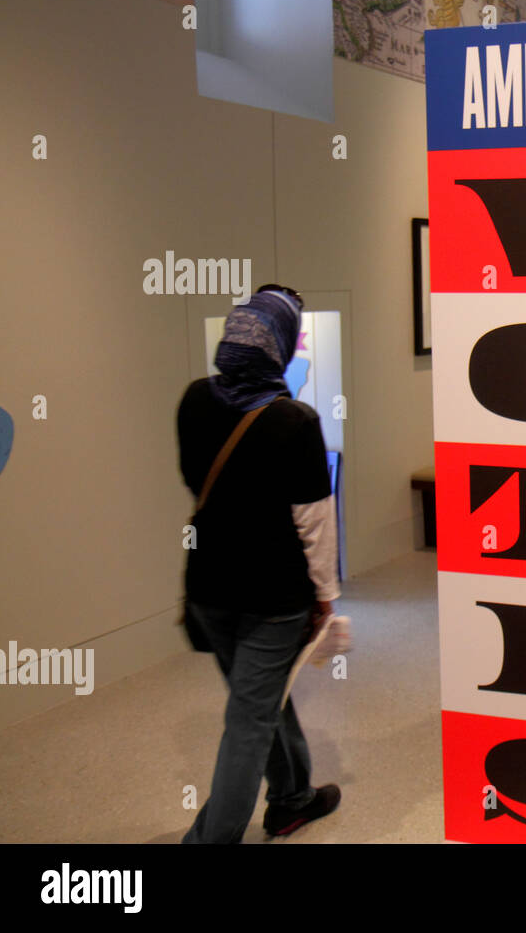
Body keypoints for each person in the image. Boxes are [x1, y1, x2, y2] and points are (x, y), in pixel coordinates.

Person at [177, 284, 341, 843]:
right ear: (280, 347)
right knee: (249, 719)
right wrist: (326, 596)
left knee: (257, 696)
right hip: (275, 598)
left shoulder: (194, 399)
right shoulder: (294, 420)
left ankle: (292, 796)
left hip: (208, 591)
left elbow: (192, 480)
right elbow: (314, 522)